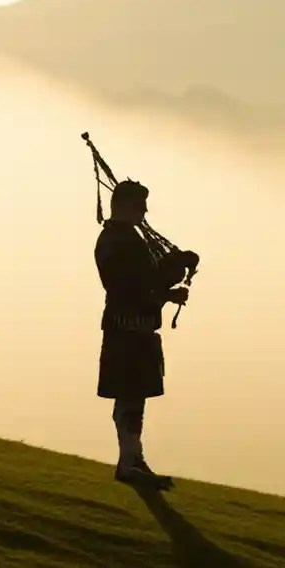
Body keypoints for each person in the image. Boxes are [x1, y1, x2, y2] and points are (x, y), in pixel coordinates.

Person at [94, 179, 189, 489]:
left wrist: (167, 290)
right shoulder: (116, 241)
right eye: (140, 204)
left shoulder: (126, 239)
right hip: (126, 327)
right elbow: (128, 287)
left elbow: (143, 284)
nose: (145, 211)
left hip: (139, 327)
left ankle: (133, 458)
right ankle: (129, 462)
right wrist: (166, 278)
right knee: (129, 395)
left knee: (134, 396)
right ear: (124, 205)